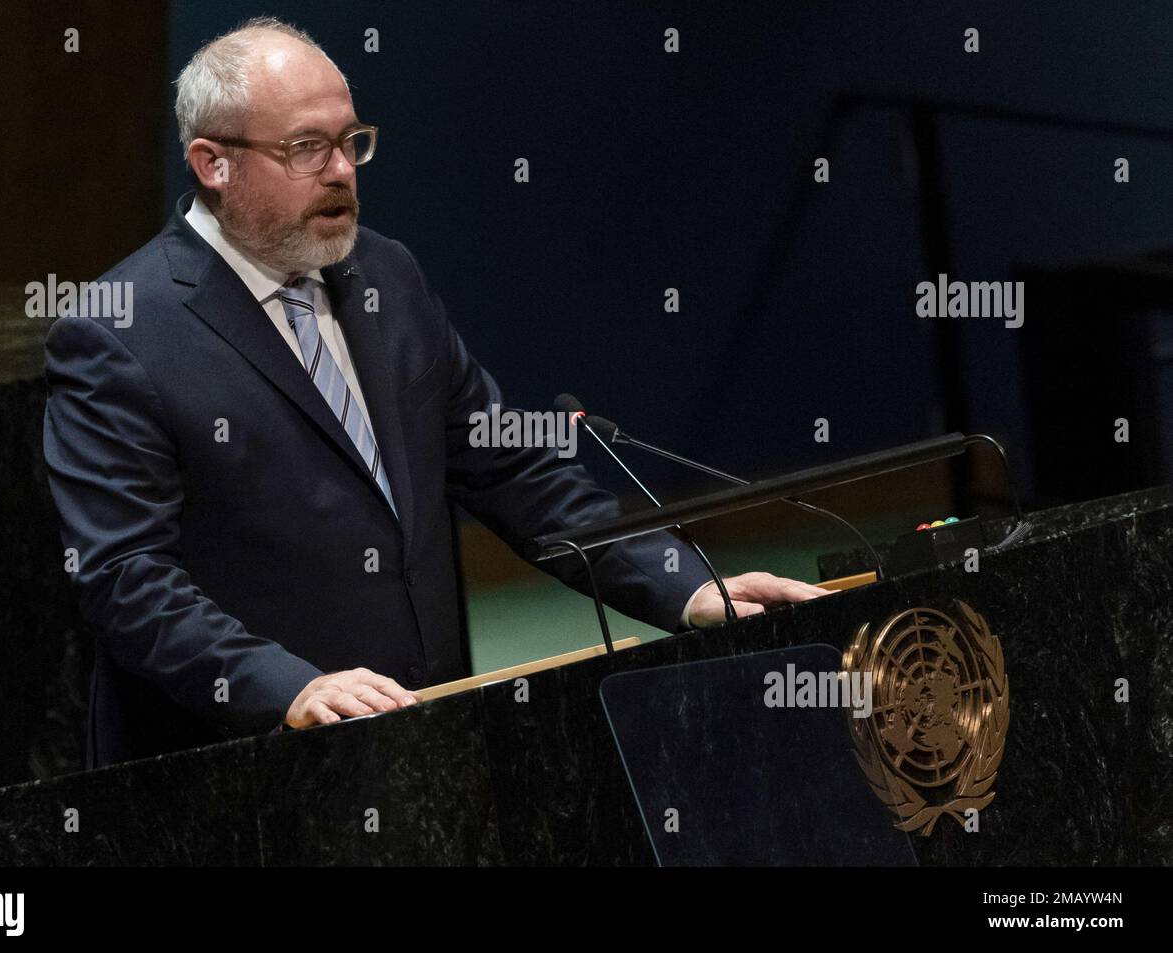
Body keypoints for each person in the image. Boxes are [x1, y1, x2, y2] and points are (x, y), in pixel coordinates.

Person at [43, 17, 828, 768]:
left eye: (351, 142)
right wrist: (291, 687)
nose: (343, 170)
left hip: (430, 729)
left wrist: (689, 588)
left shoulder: (388, 277)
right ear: (214, 163)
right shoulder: (121, 332)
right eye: (306, 148)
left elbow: (512, 469)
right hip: (241, 768)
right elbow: (123, 577)